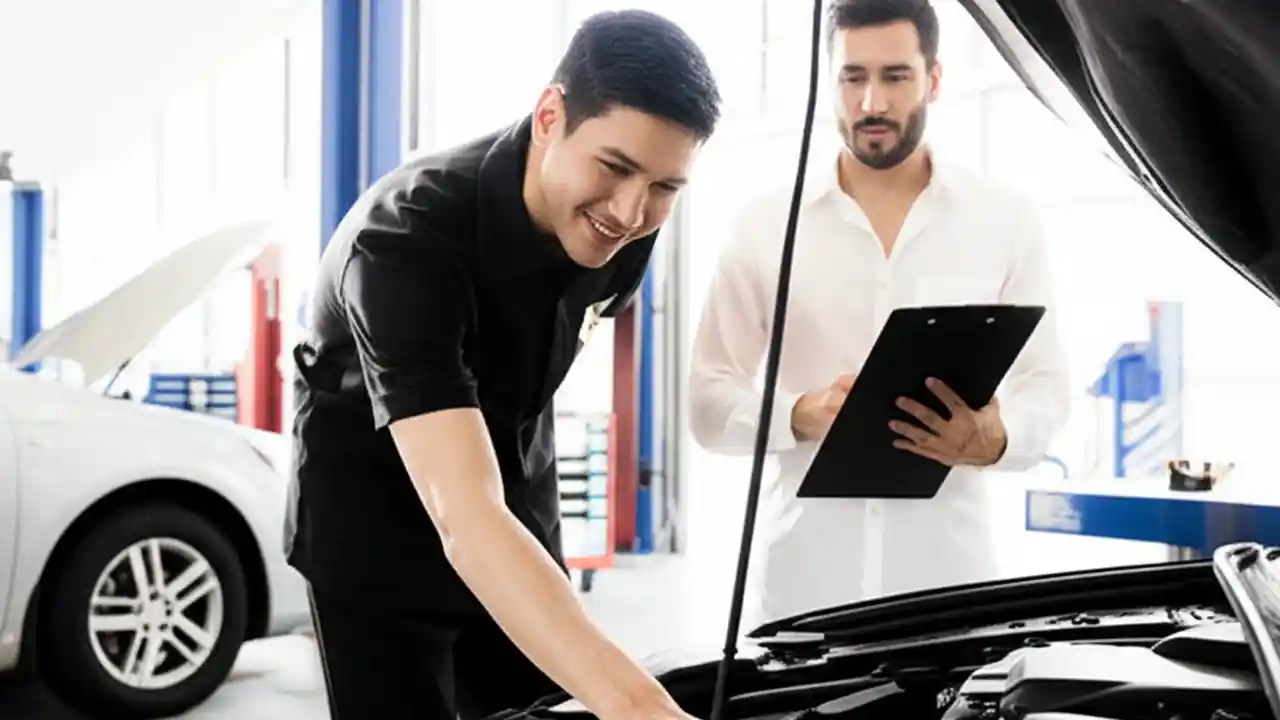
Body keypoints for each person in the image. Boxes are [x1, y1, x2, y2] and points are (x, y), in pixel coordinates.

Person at [285, 10, 720, 719]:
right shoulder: (401, 244)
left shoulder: (626, 226)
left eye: (666, 186)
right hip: (376, 531)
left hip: (511, 496)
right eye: (614, 167)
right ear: (550, 114)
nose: (632, 209)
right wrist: (643, 707)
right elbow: (465, 516)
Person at [688, 0, 1070, 627]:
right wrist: (796, 414)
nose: (871, 103)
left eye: (895, 76)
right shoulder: (764, 226)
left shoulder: (1003, 221)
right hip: (803, 594)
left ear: (933, 80)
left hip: (951, 591)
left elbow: (1048, 388)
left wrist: (994, 438)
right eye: (852, 76)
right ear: (829, 80)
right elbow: (707, 403)